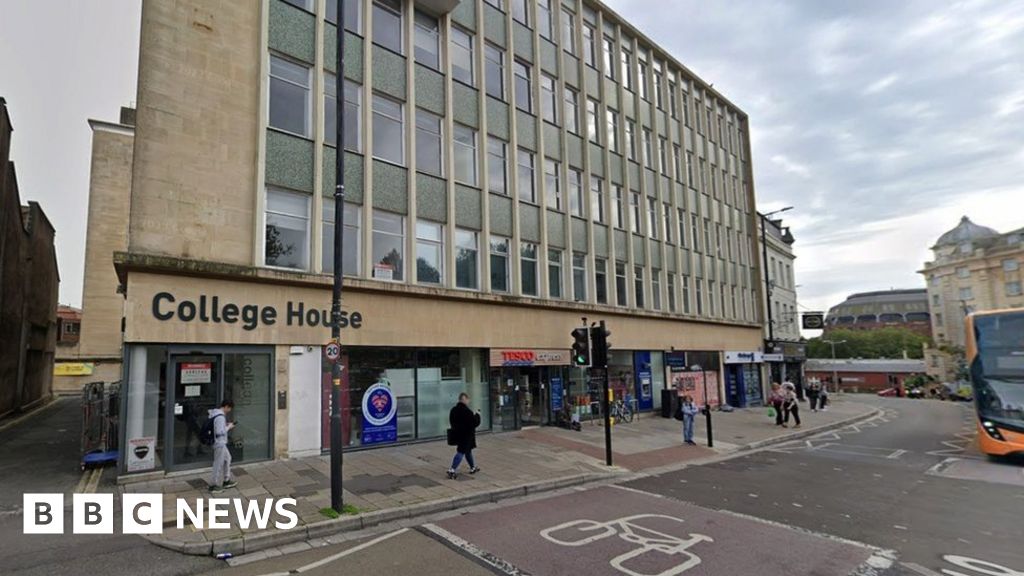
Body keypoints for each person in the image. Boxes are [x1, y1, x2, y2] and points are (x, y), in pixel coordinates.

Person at [447, 392, 481, 479]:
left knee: (468, 450)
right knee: (461, 451)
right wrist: (477, 415)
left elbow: (451, 421)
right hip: (466, 435)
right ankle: (452, 469)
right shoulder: (467, 411)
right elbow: (474, 423)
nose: (468, 401)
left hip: (457, 433)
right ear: (464, 399)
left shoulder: (453, 410)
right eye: (467, 399)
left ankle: (472, 467)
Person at [208, 400, 236, 492]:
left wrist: (225, 425)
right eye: (229, 409)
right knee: (218, 463)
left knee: (228, 458)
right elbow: (220, 432)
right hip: (219, 443)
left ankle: (226, 480)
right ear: (226, 406)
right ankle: (213, 485)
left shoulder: (214, 414)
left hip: (220, 443)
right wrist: (229, 427)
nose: (229, 411)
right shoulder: (220, 417)